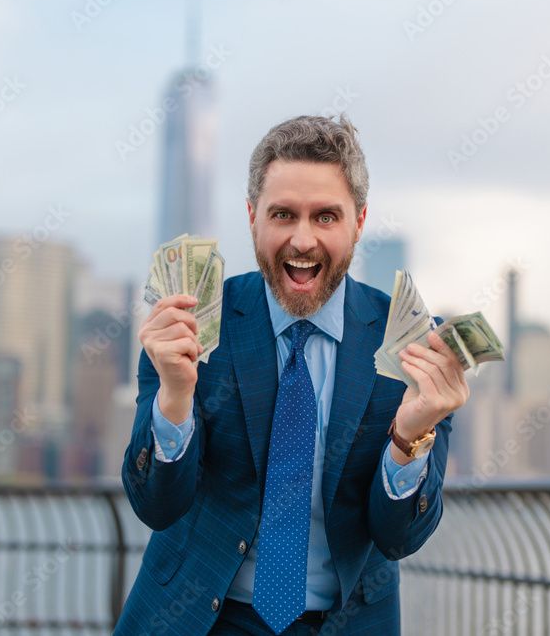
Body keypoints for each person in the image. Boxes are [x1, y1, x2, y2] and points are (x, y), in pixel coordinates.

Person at [116, 114, 468, 635]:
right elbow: (156, 506)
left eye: (326, 217)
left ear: (359, 223)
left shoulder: (413, 347)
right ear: (252, 217)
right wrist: (175, 396)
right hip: (194, 619)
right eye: (283, 214)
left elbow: (401, 538)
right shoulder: (187, 326)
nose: (302, 240)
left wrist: (408, 436)